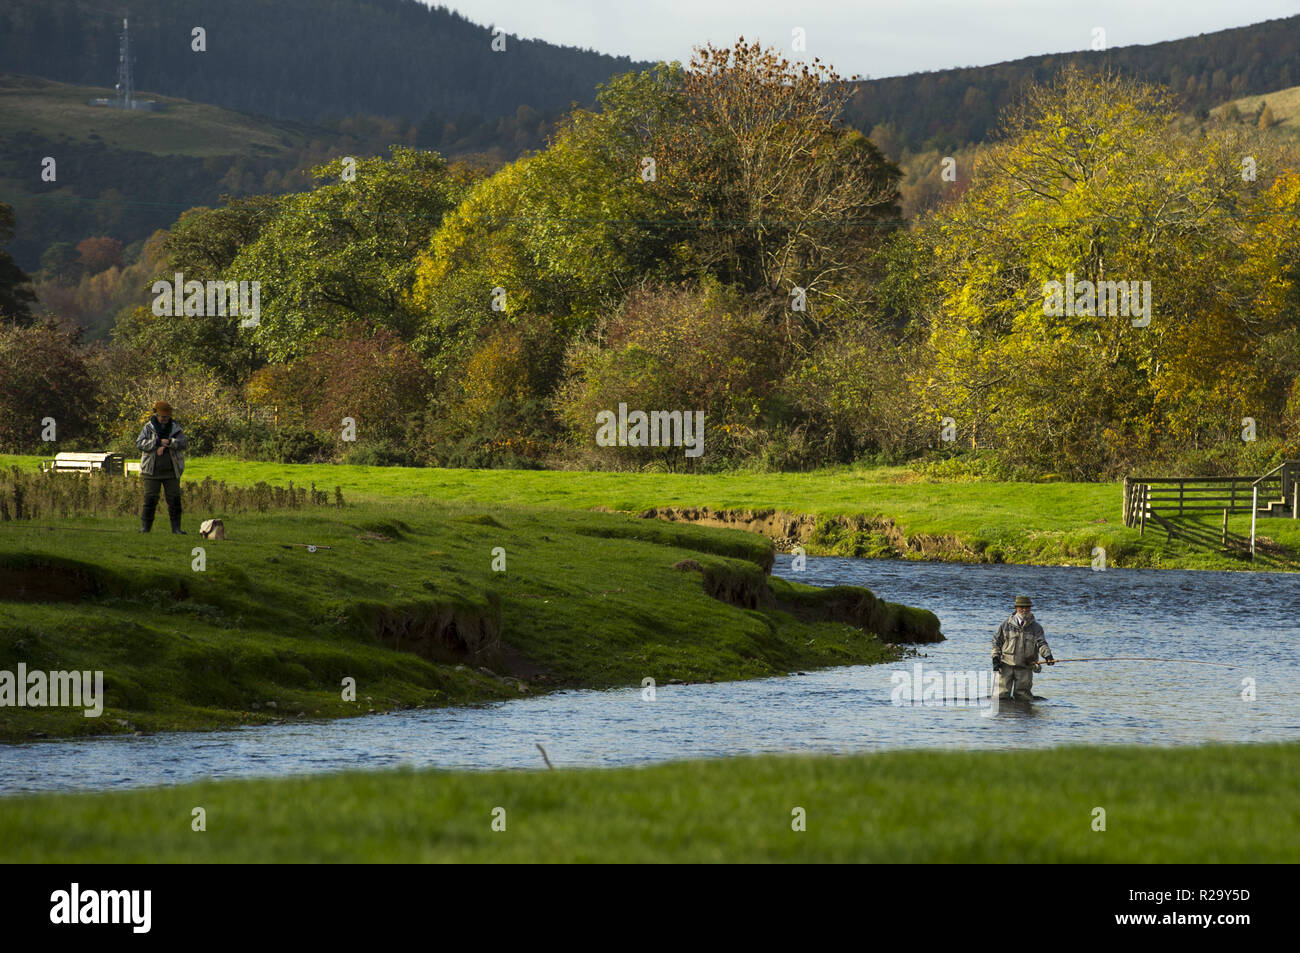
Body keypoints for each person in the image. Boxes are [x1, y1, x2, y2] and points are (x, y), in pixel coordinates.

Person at [135, 400, 188, 534]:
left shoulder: (176, 428)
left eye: (167, 417)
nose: (165, 419)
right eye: (163, 417)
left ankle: (176, 529)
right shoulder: (148, 427)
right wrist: (157, 442)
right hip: (151, 471)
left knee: (174, 500)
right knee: (150, 499)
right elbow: (140, 443)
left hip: (172, 471)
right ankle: (145, 528)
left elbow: (183, 443)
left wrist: (169, 442)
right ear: (156, 415)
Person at [992, 596, 1054, 700]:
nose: (1024, 610)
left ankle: (1023, 715)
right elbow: (996, 643)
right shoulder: (1005, 625)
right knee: (1000, 697)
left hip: (1025, 666)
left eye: (1027, 607)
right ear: (1016, 608)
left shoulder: (1036, 627)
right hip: (1006, 665)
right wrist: (995, 658)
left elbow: (1041, 643)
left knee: (1023, 698)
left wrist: (1048, 655)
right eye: (1021, 607)